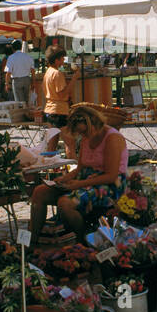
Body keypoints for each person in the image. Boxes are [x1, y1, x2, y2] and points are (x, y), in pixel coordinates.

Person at [29, 103, 127, 248]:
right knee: (39, 192)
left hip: (109, 186)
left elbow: (111, 176)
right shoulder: (87, 137)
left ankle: (82, 241)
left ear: (94, 124)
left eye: (84, 132)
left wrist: (77, 184)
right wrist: (64, 178)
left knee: (65, 203)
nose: (83, 136)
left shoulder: (112, 138)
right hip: (86, 180)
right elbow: (79, 169)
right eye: (80, 133)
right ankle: (32, 241)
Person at [42, 45, 73, 146]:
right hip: (59, 111)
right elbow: (62, 94)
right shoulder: (57, 73)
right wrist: (74, 79)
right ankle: (74, 161)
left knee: (52, 144)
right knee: (69, 144)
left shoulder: (48, 72)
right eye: (62, 58)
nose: (64, 60)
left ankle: (50, 161)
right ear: (56, 60)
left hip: (50, 109)